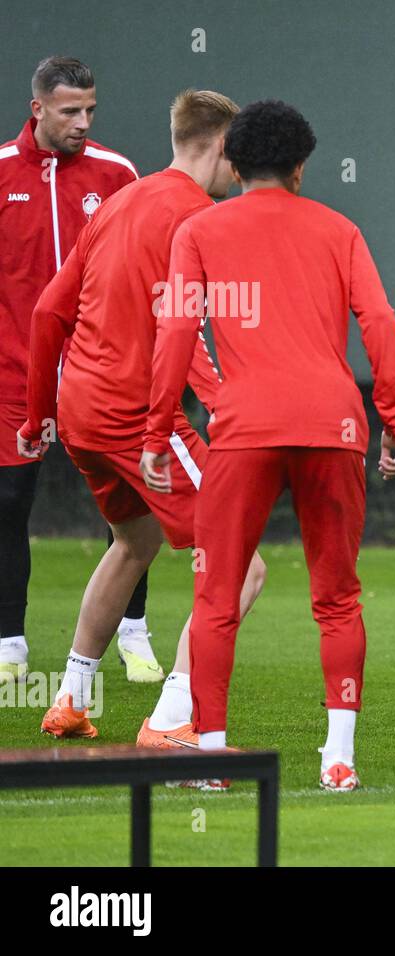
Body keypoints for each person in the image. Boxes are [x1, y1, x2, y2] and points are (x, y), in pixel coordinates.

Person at [144, 100, 395, 791]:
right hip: (335, 427)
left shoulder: (201, 229)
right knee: (338, 598)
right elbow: (379, 320)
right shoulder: (340, 229)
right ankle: (339, 757)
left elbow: (176, 334)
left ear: (231, 164)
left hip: (244, 430)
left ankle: (208, 755)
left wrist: (155, 431)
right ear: (301, 168)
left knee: (217, 597)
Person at [19, 90, 267, 758]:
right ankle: (171, 718)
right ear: (219, 147)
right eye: (237, 158)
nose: (240, 173)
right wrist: (225, 408)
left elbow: (48, 311)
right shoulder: (196, 218)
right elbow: (183, 331)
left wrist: (39, 411)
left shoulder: (124, 198)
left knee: (133, 541)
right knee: (243, 567)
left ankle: (70, 700)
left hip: (80, 413)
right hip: (132, 416)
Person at [0, 56, 146, 685]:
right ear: (38, 109)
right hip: (11, 377)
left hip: (103, 376)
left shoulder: (119, 175)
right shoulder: (2, 172)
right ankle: (9, 647)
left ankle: (134, 637)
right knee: (8, 506)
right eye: (69, 111)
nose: (83, 121)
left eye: (90, 108)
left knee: (133, 511)